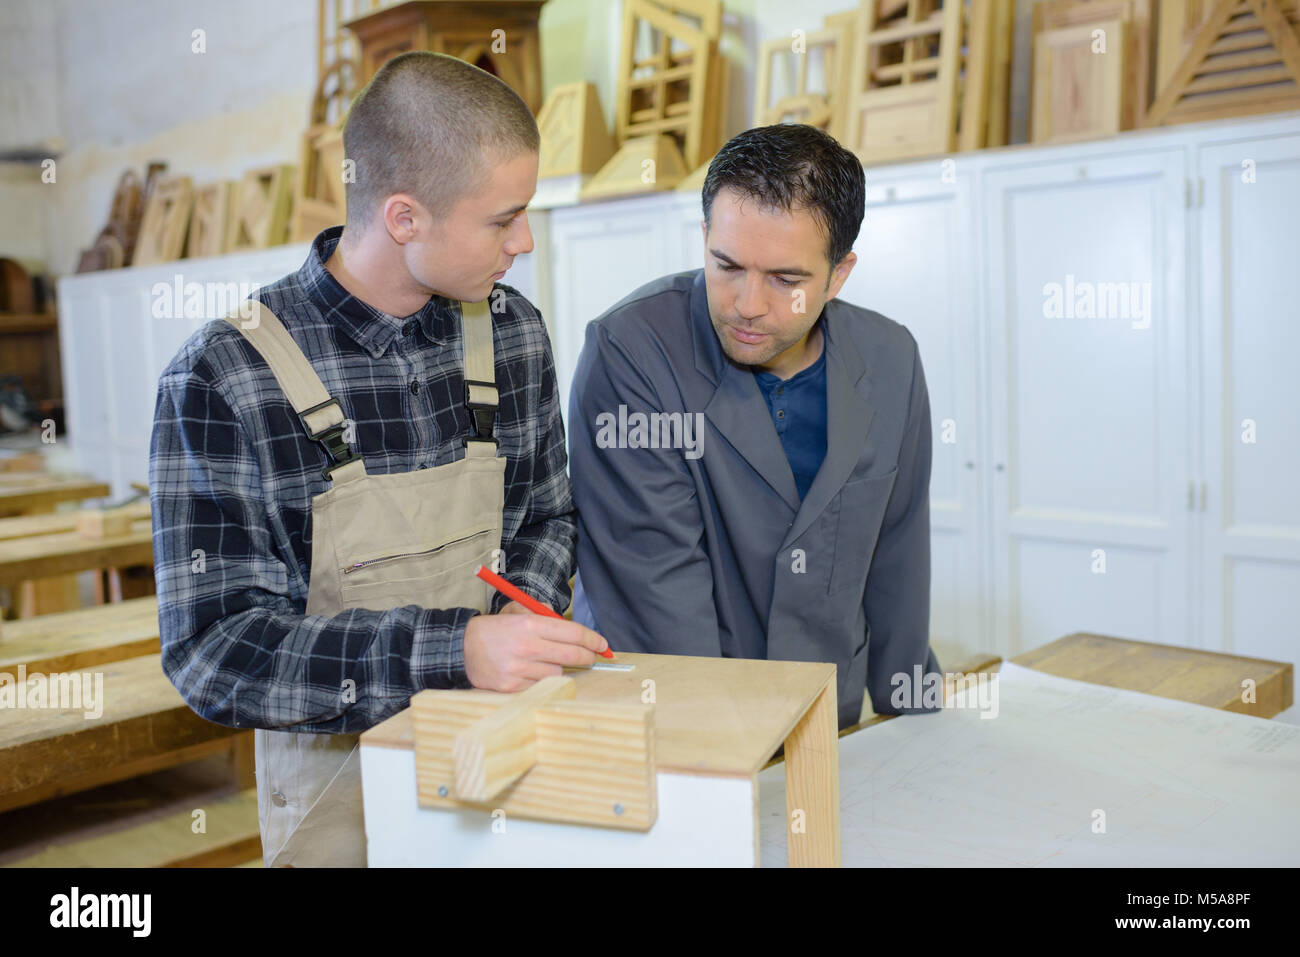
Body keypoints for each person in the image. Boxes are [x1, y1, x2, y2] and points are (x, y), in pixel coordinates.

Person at [149, 52, 607, 867]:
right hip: (336, 802)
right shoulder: (224, 376)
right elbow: (215, 652)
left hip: (501, 755)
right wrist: (456, 651)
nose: (526, 241)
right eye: (504, 219)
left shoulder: (511, 331)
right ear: (404, 217)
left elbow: (543, 514)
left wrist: (519, 622)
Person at [568, 123, 939, 730]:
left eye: (786, 281)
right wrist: (724, 770)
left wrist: (919, 729)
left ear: (838, 275)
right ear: (706, 237)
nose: (747, 304)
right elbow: (658, 595)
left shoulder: (891, 357)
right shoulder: (630, 352)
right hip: (672, 727)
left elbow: (898, 558)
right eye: (727, 265)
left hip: (826, 723)